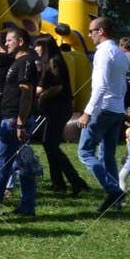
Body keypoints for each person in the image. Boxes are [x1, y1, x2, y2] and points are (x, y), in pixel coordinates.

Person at [0, 26, 40, 216]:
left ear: (21, 41)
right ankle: (27, 206)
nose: (5, 44)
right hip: (12, 118)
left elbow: (26, 94)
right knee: (22, 164)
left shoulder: (26, 62)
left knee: (2, 163)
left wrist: (20, 122)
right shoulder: (20, 61)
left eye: (9, 40)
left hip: (14, 121)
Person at [75, 16, 130, 215]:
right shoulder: (120, 53)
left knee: (84, 153)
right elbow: (122, 84)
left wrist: (88, 112)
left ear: (101, 31)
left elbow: (100, 85)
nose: (89, 35)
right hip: (117, 109)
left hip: (103, 109)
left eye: (91, 31)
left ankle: (114, 191)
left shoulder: (103, 53)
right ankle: (116, 199)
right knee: (107, 155)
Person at [34, 35, 88, 196]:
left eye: (38, 46)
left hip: (59, 107)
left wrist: (41, 96)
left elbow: (58, 85)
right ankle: (59, 182)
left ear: (45, 47)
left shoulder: (54, 61)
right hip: (54, 108)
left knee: (50, 145)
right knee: (49, 145)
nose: (36, 48)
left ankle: (75, 180)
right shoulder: (49, 61)